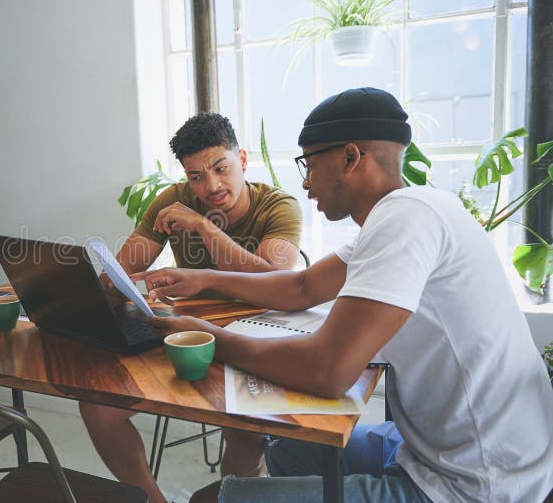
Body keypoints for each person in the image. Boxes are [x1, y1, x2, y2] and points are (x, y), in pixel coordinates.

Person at [134, 88, 553, 502]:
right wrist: (204, 277)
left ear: (351, 158)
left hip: (477, 482)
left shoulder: (404, 220)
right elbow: (302, 287)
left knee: (208, 500)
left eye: (310, 164)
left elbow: (328, 370)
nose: (305, 181)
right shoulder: (408, 211)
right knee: (287, 451)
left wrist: (209, 338)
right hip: (430, 449)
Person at [79, 112, 303, 503]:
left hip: (255, 342)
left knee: (246, 429)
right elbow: (122, 270)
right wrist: (124, 287)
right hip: (185, 338)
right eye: (196, 177)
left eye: (221, 168)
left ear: (243, 160)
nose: (211, 186)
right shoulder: (173, 201)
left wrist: (204, 226)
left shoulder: (279, 207)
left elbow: (275, 283)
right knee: (97, 408)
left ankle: (235, 495)